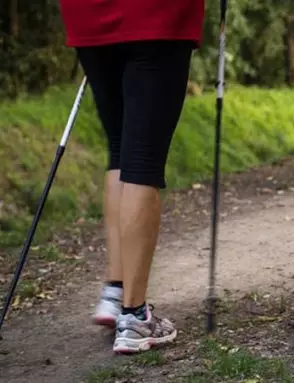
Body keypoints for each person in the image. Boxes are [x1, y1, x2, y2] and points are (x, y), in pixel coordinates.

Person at [57, 0, 204, 353]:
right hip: (156, 15)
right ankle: (135, 317)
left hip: (87, 15)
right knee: (142, 160)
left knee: (121, 149)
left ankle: (115, 291)